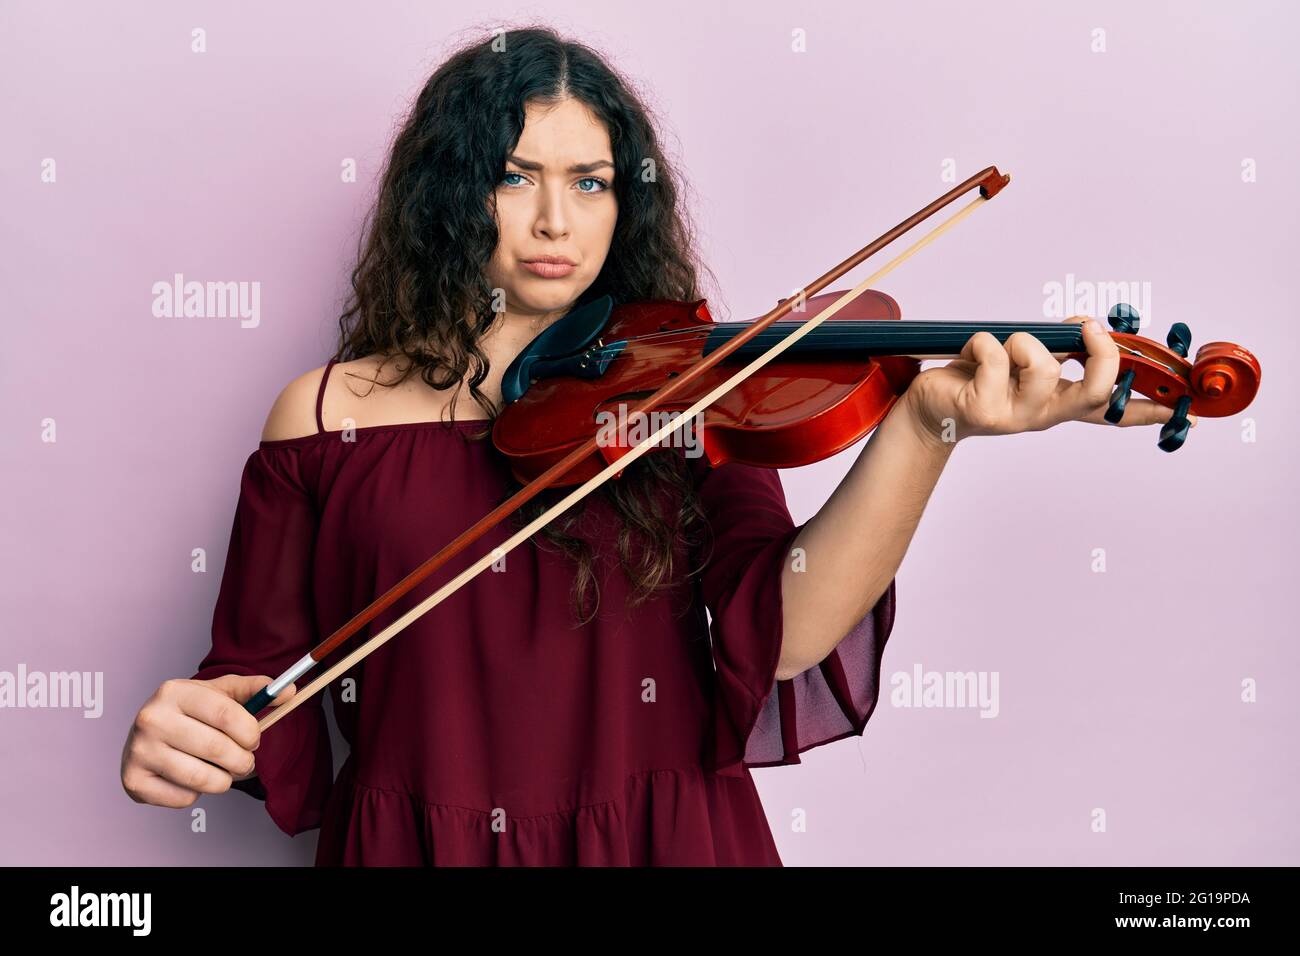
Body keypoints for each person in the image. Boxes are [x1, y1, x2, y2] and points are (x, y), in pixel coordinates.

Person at [119, 27, 1187, 866]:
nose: (554, 219)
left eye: (589, 181)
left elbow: (785, 628)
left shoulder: (686, 387)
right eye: (513, 174)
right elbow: (256, 689)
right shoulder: (322, 419)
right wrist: (192, 729)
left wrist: (925, 423)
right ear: (448, 194)